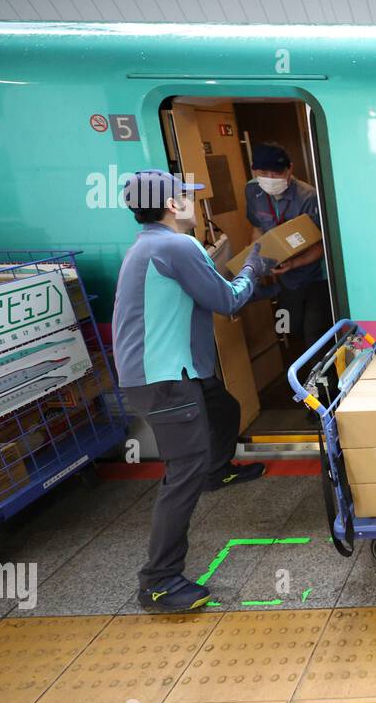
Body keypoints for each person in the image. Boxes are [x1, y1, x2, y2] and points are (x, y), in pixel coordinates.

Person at [113, 169, 276, 612]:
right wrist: (253, 268)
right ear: (170, 204)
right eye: (185, 196)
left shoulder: (151, 244)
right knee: (181, 473)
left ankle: (216, 469)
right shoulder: (174, 245)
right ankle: (159, 581)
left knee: (223, 406)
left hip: (167, 370)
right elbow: (227, 301)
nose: (191, 202)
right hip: (164, 378)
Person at [245, 142, 332, 358]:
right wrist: (255, 263)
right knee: (287, 329)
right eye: (264, 173)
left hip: (315, 278)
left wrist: (293, 263)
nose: (270, 179)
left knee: (315, 335)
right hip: (283, 282)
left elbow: (321, 246)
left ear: (290, 169)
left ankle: (323, 388)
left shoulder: (308, 197)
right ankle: (296, 383)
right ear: (255, 171)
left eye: (277, 173)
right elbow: (257, 228)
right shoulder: (252, 190)